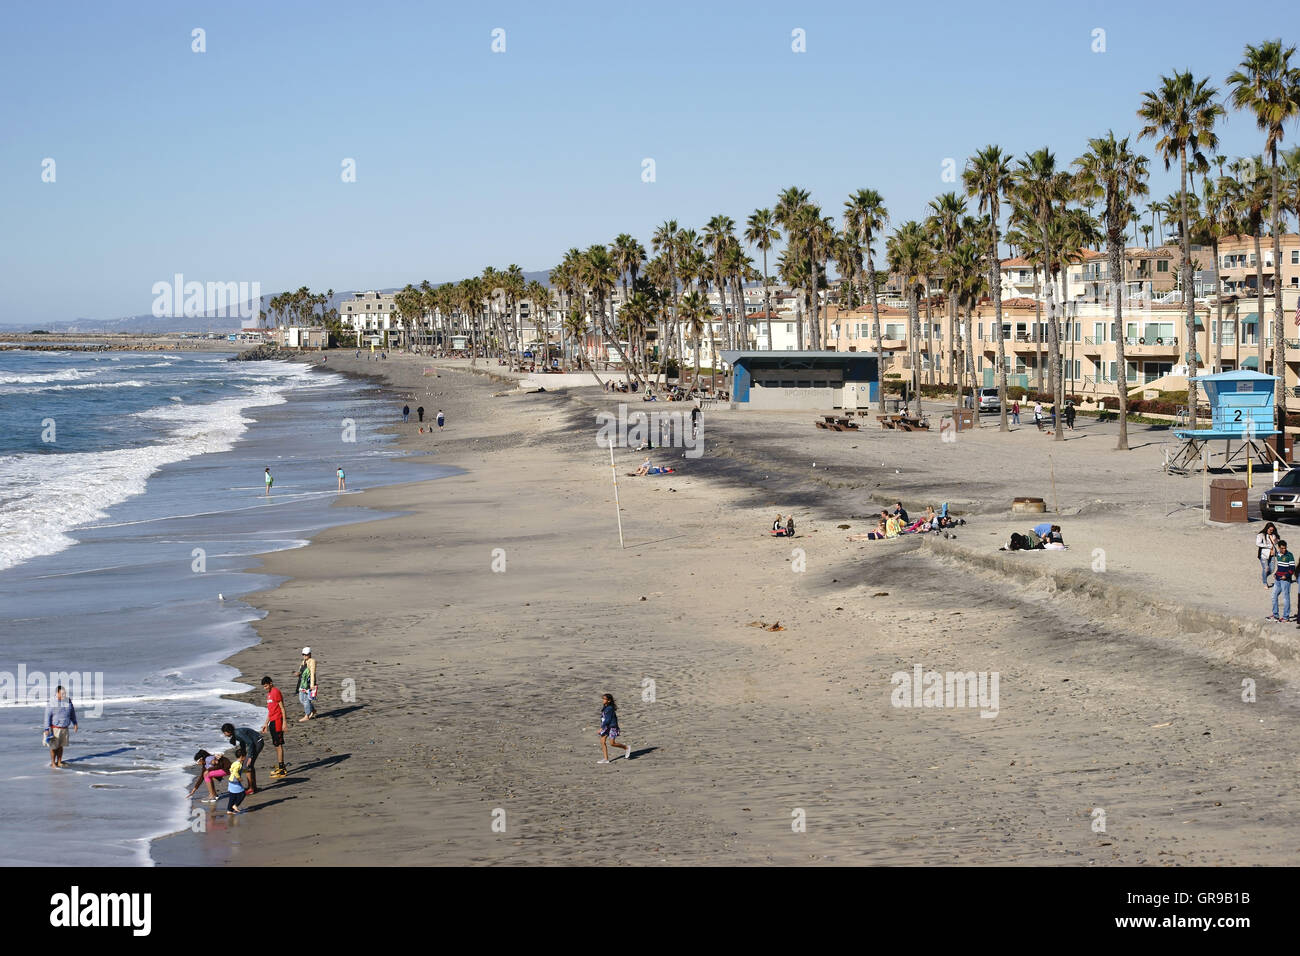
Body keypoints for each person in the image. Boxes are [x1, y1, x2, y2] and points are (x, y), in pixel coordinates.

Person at [221, 723, 263, 795]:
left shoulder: (238, 733)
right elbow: (243, 743)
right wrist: (243, 754)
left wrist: (249, 756)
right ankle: (253, 787)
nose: (225, 735)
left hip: (258, 742)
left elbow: (250, 743)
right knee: (249, 765)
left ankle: (251, 788)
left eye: (224, 733)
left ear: (228, 731)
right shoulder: (236, 733)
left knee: (246, 766)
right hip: (256, 742)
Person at [44, 685, 78, 768]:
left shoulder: (68, 701)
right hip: (55, 728)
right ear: (57, 693)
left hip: (65, 728)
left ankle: (59, 762)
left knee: (61, 746)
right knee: (54, 747)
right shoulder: (51, 702)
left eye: (65, 693)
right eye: (62, 694)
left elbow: (72, 713)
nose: (64, 695)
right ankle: (53, 763)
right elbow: (47, 716)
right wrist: (46, 728)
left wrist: (75, 723)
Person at [260, 677, 288, 777]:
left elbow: (282, 708)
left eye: (266, 686)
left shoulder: (276, 692)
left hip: (278, 721)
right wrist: (265, 724)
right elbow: (270, 711)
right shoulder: (269, 695)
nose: (265, 688)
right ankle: (281, 767)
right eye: (264, 686)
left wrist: (284, 722)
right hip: (272, 721)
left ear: (271, 683)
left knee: (279, 744)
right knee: (276, 744)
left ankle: (282, 769)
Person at [597, 693, 630, 763]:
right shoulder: (605, 707)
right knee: (602, 741)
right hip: (607, 726)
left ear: (609, 700)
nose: (603, 700)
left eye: (604, 699)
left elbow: (608, 720)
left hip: (612, 727)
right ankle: (606, 759)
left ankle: (626, 747)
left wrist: (601, 728)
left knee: (612, 743)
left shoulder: (610, 708)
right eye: (602, 699)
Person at [1272, 539, 1296, 621]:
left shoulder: (1290, 555)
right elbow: (1279, 567)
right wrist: (1276, 574)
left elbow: (1292, 568)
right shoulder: (1278, 555)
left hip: (1285, 580)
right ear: (1279, 548)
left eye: (1285, 548)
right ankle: (1275, 615)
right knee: (1273, 596)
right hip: (1278, 579)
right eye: (1282, 548)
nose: (1284, 550)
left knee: (1286, 598)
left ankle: (1286, 617)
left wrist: (1286, 576)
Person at [297, 647, 317, 722]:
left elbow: (312, 673)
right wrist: (298, 673)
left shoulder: (312, 661)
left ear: (310, 654)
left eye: (306, 655)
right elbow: (300, 671)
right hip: (302, 683)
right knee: (301, 699)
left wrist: (312, 685)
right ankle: (313, 710)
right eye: (303, 654)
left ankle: (307, 715)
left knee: (306, 700)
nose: (305, 656)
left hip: (308, 683)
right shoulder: (303, 661)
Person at [1257, 523, 1279, 587]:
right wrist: (1268, 546)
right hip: (1264, 555)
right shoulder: (1261, 535)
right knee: (1266, 569)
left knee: (1272, 569)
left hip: (1272, 554)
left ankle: (1264, 576)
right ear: (1267, 529)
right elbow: (1258, 543)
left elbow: (1276, 542)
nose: (1271, 531)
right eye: (1270, 530)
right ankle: (1265, 583)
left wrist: (1276, 540)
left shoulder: (1274, 535)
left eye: (1272, 530)